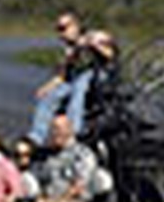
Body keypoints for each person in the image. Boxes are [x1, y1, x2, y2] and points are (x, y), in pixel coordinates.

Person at [28, 11, 118, 144]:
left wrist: (94, 45)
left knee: (79, 87)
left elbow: (111, 55)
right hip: (75, 79)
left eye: (64, 28)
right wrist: (47, 88)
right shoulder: (68, 49)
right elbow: (63, 75)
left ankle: (74, 132)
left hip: (97, 77)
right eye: (59, 29)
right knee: (49, 98)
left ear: (75, 26)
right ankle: (36, 137)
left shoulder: (93, 36)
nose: (61, 34)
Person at [35, 113, 103, 202]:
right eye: (52, 129)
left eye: (58, 128)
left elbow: (79, 185)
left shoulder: (82, 154)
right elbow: (41, 184)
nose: (55, 133)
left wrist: (59, 201)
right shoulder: (47, 157)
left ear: (69, 130)